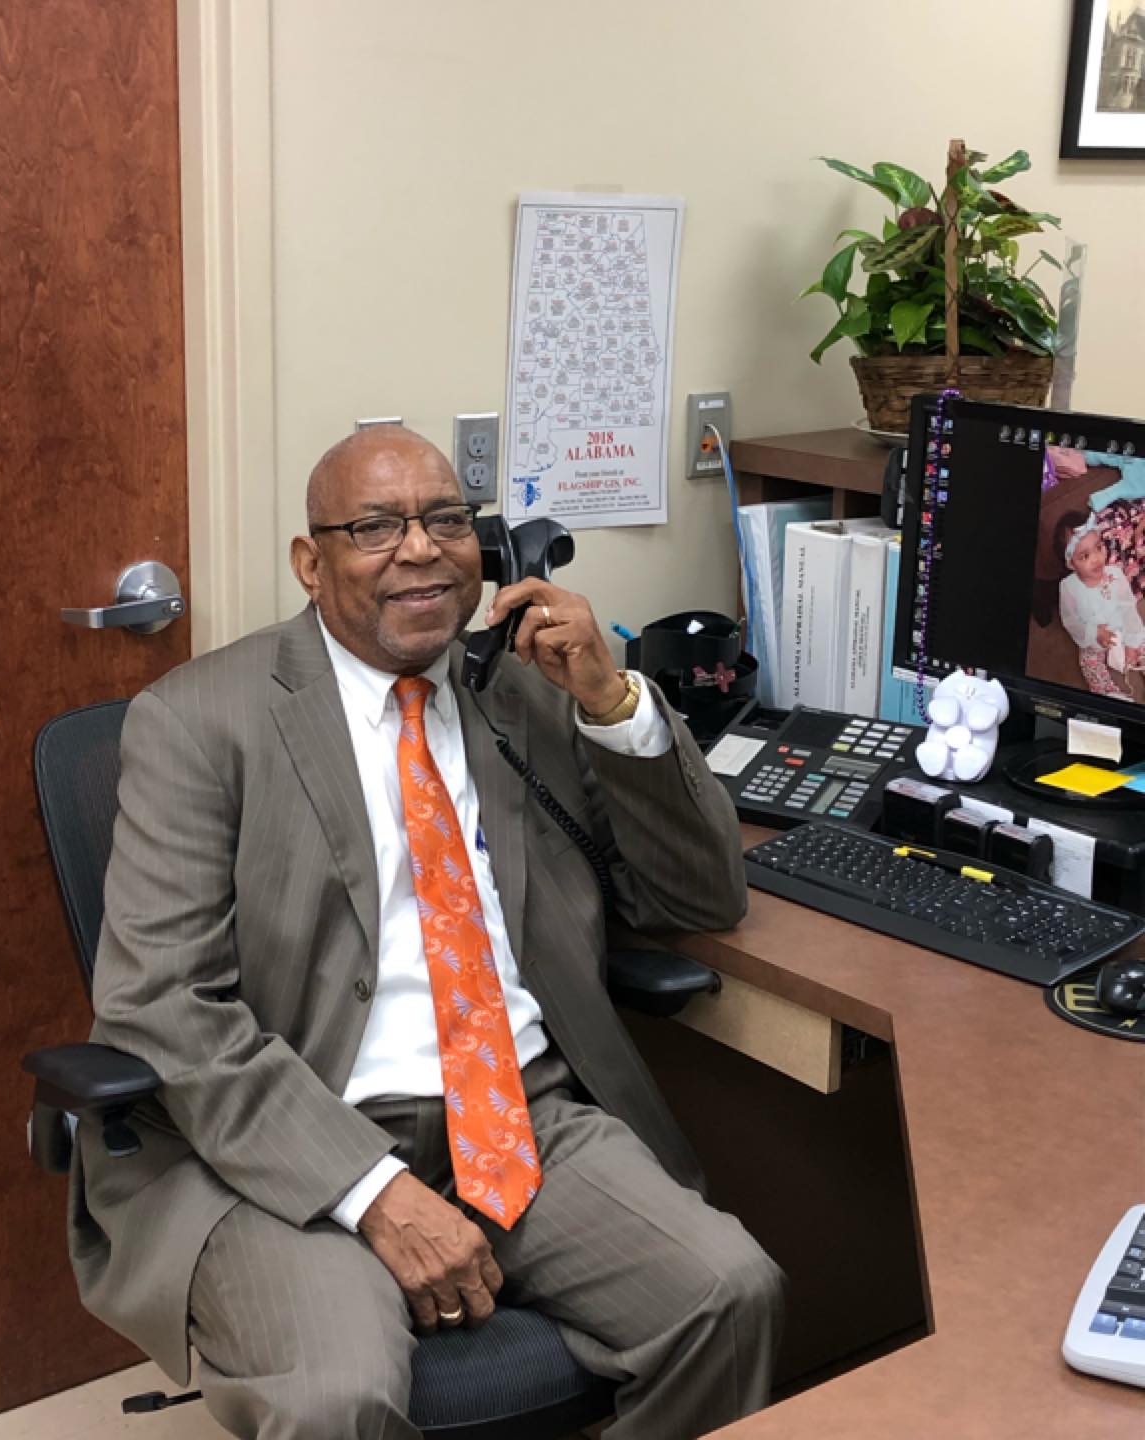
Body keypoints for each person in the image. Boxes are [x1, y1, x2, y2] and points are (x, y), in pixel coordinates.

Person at [69, 425, 784, 1439]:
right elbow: (158, 1010)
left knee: (731, 1293)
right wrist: (373, 1191)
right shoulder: (197, 723)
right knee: (337, 1400)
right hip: (300, 1133)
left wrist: (612, 701)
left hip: (517, 1116)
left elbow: (703, 896)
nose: (421, 548)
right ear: (310, 565)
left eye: (447, 519)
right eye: (376, 526)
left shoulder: (525, 690)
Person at [1057, 512, 1145, 701]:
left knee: (1142, 642)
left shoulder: (1115, 575)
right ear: (1071, 564)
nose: (1097, 559)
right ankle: (1111, 695)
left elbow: (1128, 608)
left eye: (1099, 548)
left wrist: (1131, 642)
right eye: (1085, 556)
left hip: (1119, 625)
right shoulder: (1068, 588)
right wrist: (1093, 632)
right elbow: (1070, 620)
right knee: (1089, 664)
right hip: (1094, 638)